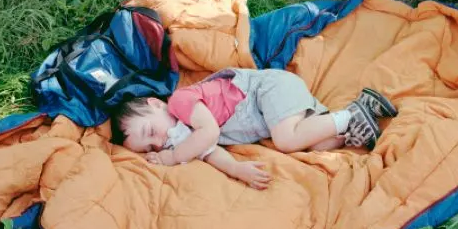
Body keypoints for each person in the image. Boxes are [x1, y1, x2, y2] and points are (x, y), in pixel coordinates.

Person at [112, 68, 396, 189]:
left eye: (151, 132)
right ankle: (363, 110)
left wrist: (172, 158)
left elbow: (208, 133)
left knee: (286, 140)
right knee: (320, 145)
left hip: (266, 92)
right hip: (277, 113)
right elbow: (210, 152)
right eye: (151, 147)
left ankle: (349, 117)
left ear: (156, 104)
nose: (159, 142)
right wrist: (237, 170)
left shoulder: (179, 102)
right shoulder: (184, 138)